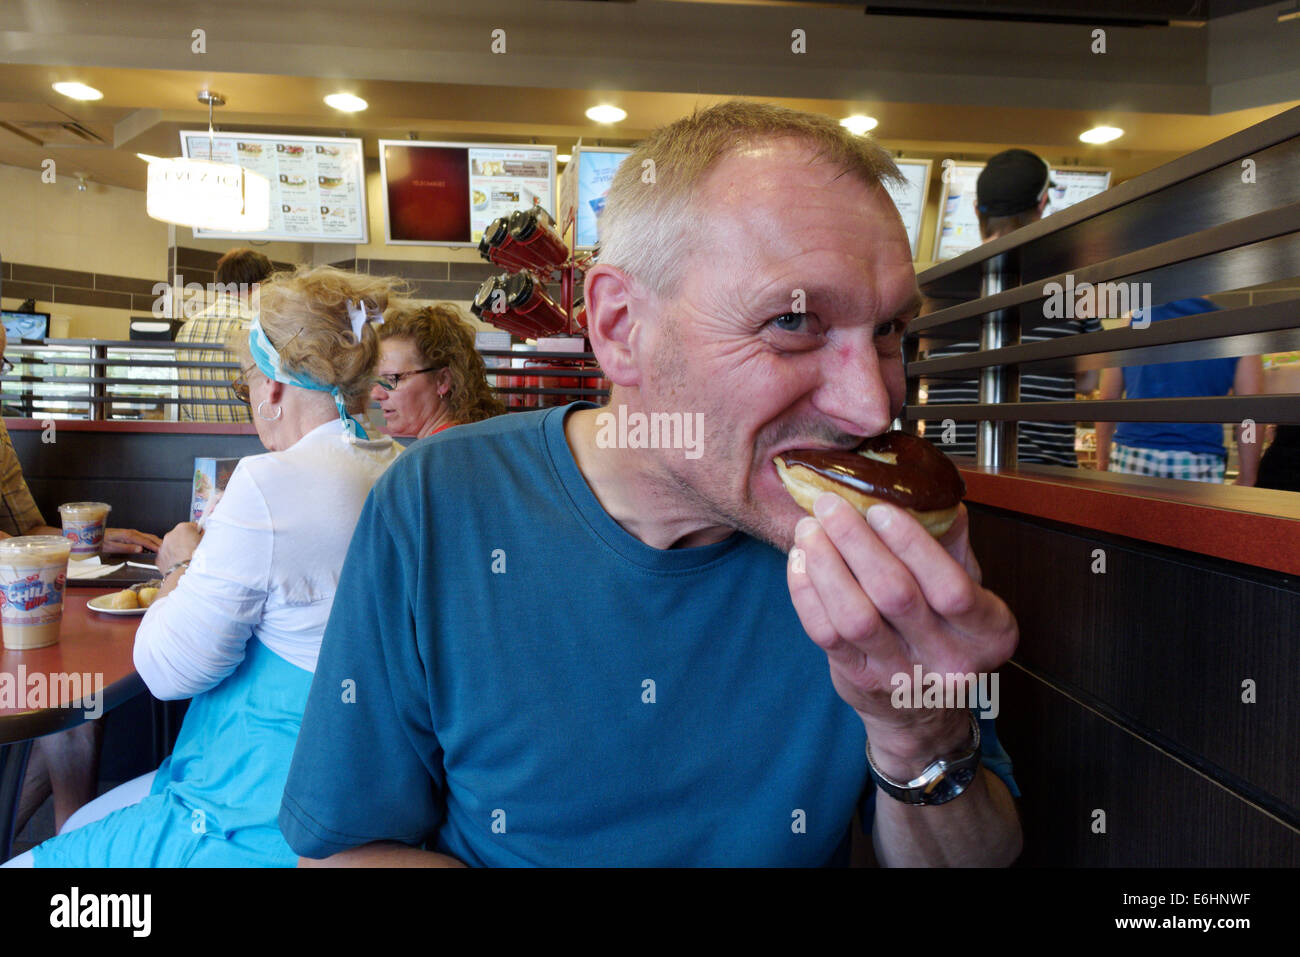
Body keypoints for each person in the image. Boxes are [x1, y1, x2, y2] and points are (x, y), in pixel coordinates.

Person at [280, 102, 1023, 867]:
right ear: (621, 325)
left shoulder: (885, 548)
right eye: (794, 323)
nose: (872, 404)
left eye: (890, 332)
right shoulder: (439, 501)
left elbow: (982, 858)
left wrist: (917, 733)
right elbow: (344, 849)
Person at [8, 266, 403, 867]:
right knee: (84, 820)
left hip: (255, 815)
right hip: (358, 795)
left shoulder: (269, 483)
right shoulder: (400, 467)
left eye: (246, 385)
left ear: (272, 387)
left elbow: (167, 671)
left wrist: (179, 566)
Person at [1, 319, 164, 839]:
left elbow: (27, 530)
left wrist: (94, 539)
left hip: (19, 600)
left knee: (77, 693)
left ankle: (69, 840)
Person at [920, 148, 1100, 466]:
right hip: (1044, 476)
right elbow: (1088, 381)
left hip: (949, 471)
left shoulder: (937, 288)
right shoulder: (1072, 283)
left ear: (977, 211)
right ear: (1042, 204)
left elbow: (924, 376)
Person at [1096, 298, 1262, 484]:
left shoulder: (1136, 319)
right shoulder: (1236, 326)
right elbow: (1251, 413)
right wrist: (1247, 475)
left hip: (1133, 455)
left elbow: (1108, 399)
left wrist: (1102, 461)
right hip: (1199, 460)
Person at [371, 302, 505, 440]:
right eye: (378, 380)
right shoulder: (463, 440)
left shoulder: (441, 453)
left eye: (392, 379)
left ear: (443, 381)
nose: (375, 394)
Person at [174, 247, 274, 424]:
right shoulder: (256, 326)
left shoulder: (187, 327)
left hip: (197, 441)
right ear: (260, 286)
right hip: (249, 440)